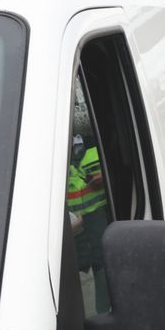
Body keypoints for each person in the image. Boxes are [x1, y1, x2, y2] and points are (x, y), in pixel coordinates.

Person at [65, 134, 110, 313]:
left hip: (99, 217)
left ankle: (103, 312)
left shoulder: (96, 145)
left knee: (101, 264)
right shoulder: (50, 155)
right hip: (71, 228)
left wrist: (105, 179)